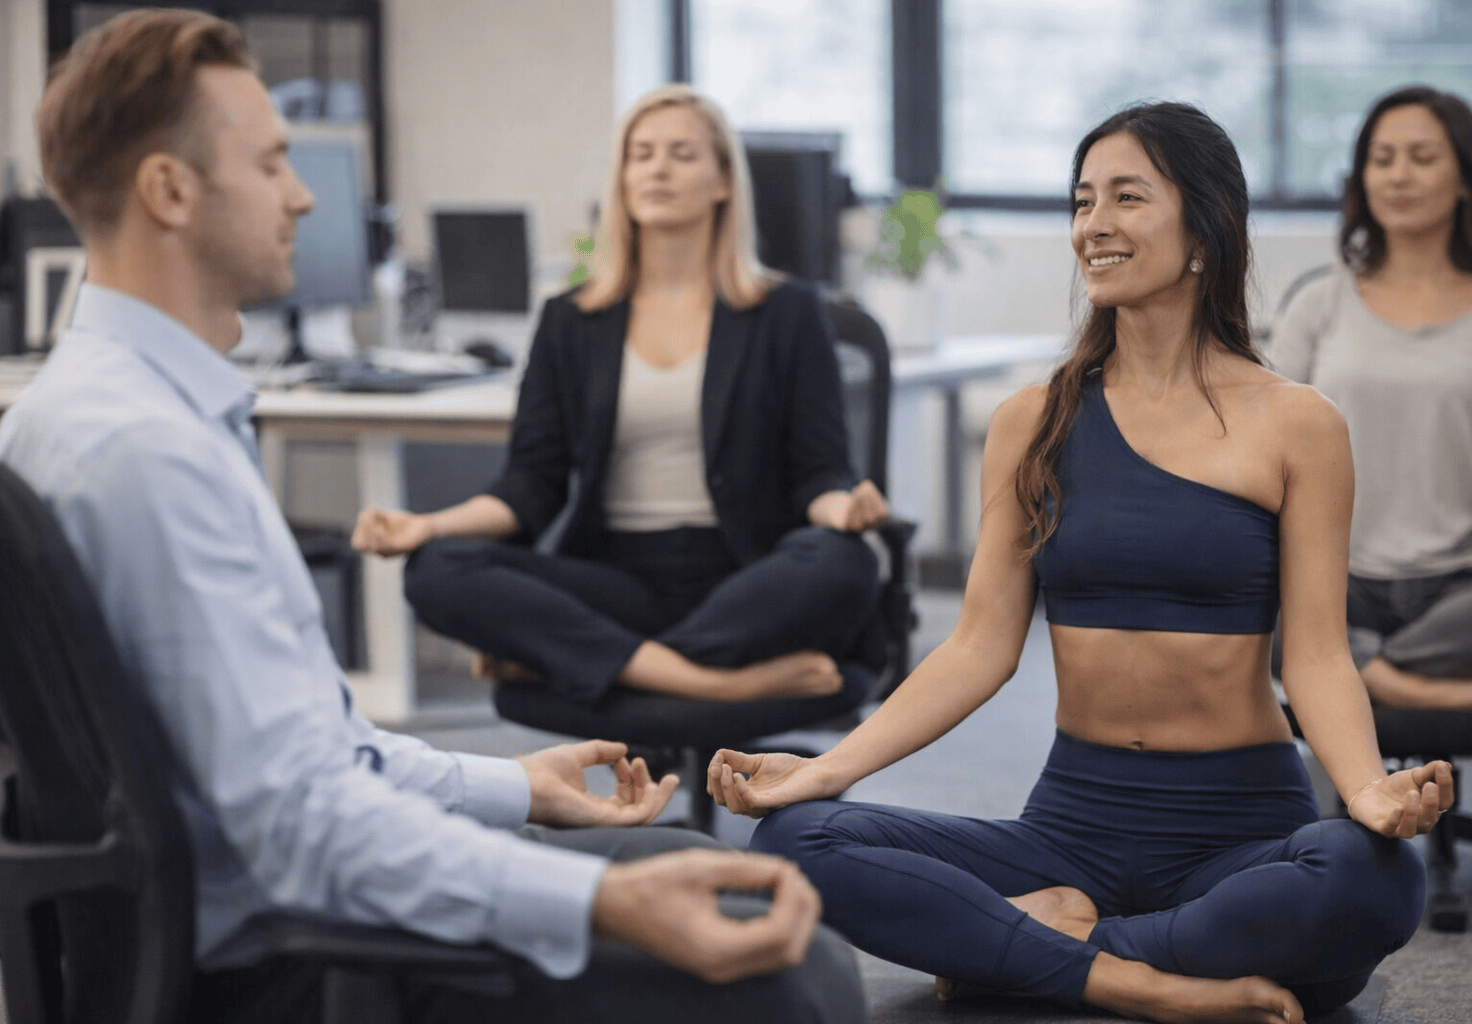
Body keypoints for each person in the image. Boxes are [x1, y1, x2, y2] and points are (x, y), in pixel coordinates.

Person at [0, 11, 865, 1023]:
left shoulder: (88, 415)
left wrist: (512, 786)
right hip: (297, 957)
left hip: (261, 913)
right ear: (170, 190)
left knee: (697, 850)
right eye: (273, 163)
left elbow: (303, 751)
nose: (302, 194)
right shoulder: (150, 455)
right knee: (792, 973)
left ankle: (636, 681)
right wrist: (599, 900)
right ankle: (683, 683)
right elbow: (300, 822)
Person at [706, 102, 1452, 1024]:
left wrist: (1368, 790)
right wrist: (829, 770)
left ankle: (1033, 948)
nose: (1093, 224)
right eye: (1082, 200)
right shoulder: (1033, 421)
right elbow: (978, 647)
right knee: (798, 840)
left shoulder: (1298, 424)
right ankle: (1137, 975)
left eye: (1127, 197)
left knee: (1372, 879)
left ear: (1206, 227)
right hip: (1070, 829)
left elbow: (1317, 656)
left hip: (1239, 831)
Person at [352, 84, 887, 708]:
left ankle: (584, 660)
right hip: (618, 579)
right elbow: (530, 485)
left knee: (845, 561)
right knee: (436, 568)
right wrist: (427, 525)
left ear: (722, 181)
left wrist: (844, 511)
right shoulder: (570, 319)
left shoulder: (787, 311)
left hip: (748, 577)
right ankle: (714, 681)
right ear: (622, 178)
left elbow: (819, 472)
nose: (658, 169)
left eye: (682, 154)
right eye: (641, 154)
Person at [1269, 85, 1472, 739]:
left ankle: (1360, 670)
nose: (1398, 176)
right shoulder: (1317, 305)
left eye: (1422, 157)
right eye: (1382, 158)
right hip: (1337, 578)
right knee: (1232, 588)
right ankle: (1409, 684)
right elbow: (1266, 456)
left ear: (1466, 178)